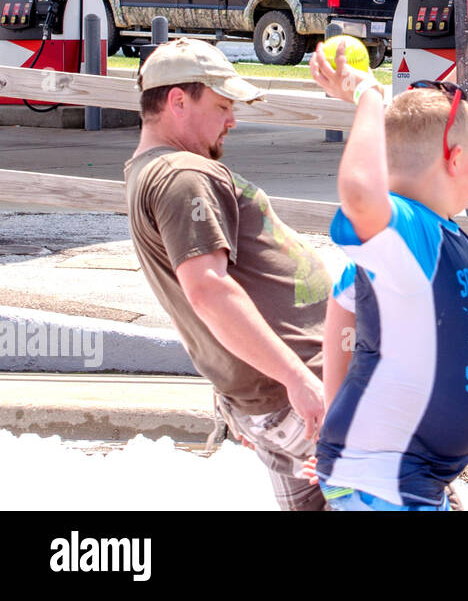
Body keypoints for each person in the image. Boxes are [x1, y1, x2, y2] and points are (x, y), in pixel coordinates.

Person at [124, 38, 332, 511]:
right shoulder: (182, 175)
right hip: (300, 390)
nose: (232, 120)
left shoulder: (152, 172)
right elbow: (208, 291)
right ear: (178, 101)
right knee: (415, 490)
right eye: (221, 106)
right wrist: (298, 378)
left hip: (271, 396)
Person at [309, 42, 468, 510]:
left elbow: (343, 300)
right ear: (455, 158)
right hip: (385, 477)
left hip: (401, 478)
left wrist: (336, 421)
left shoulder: (426, 239)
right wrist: (369, 95)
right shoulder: (414, 233)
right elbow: (358, 191)